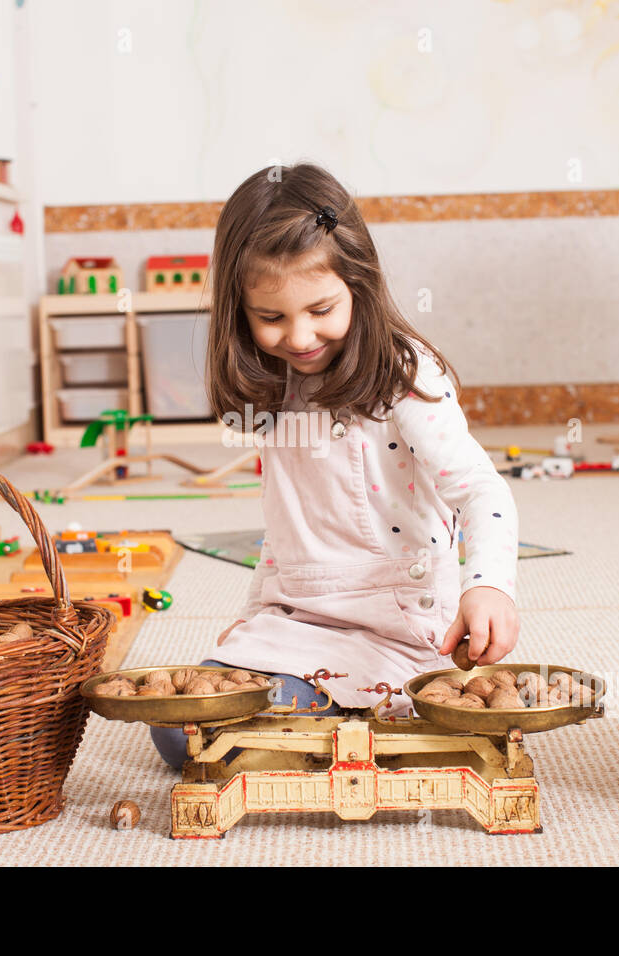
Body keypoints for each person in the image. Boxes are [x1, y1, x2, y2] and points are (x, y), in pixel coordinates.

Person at [150, 163, 519, 769]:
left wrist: (488, 586)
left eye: (320, 308)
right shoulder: (270, 386)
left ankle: (364, 722)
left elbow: (481, 490)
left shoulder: (406, 376)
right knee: (182, 732)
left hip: (394, 625)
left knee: (250, 739)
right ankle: (345, 731)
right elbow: (287, 526)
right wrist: (251, 621)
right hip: (296, 617)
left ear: (360, 284)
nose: (299, 337)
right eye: (271, 318)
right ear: (238, 311)